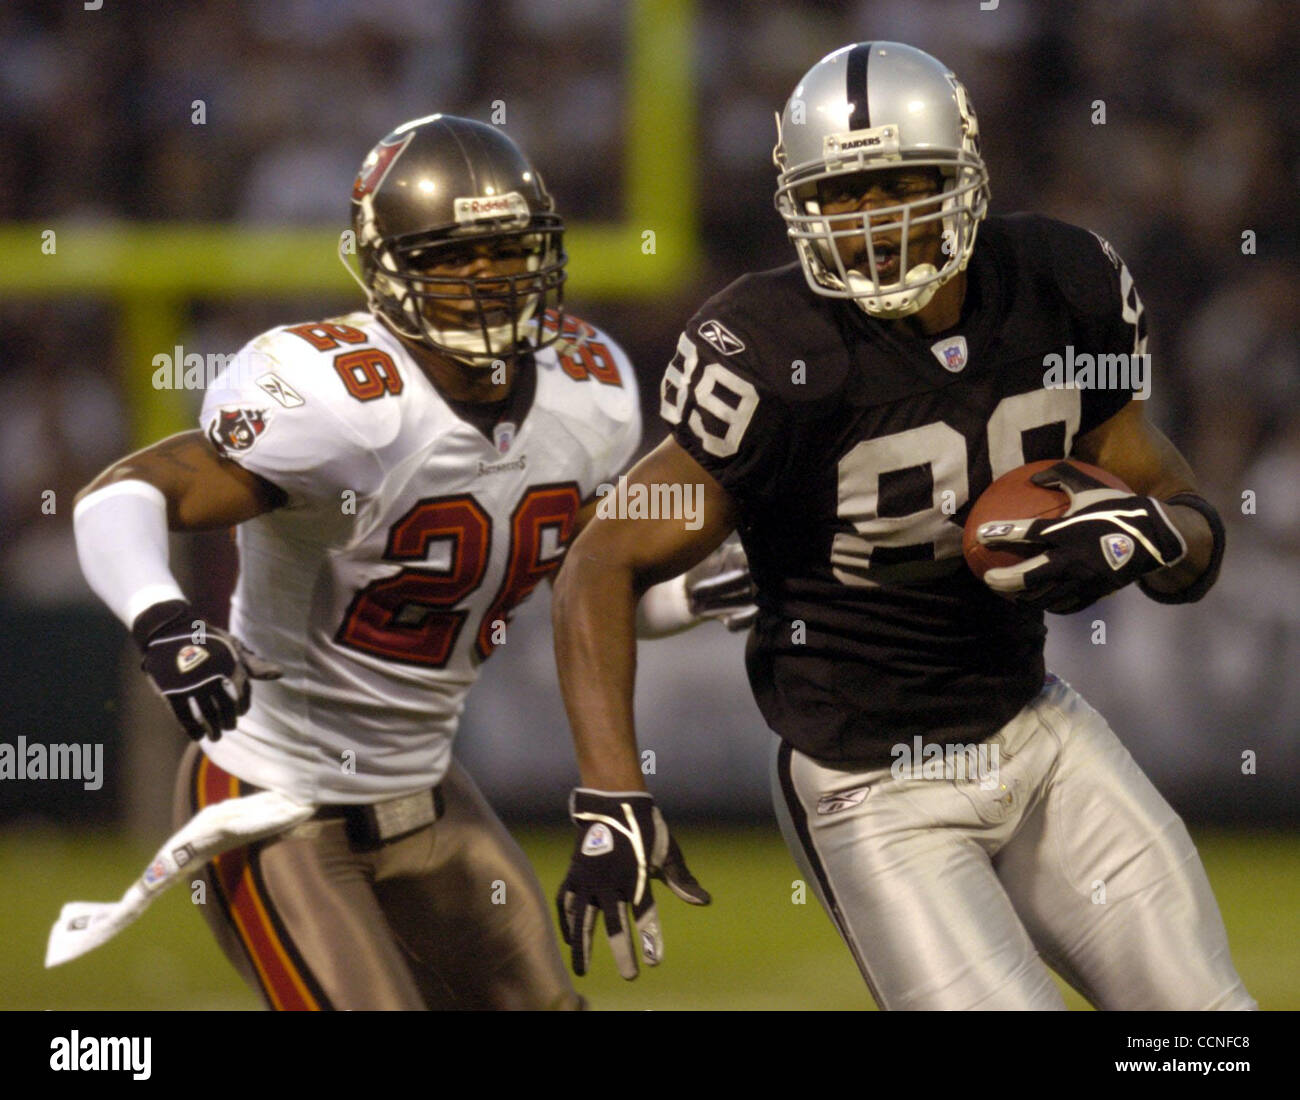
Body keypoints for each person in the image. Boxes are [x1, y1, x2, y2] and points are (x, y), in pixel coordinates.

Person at [550, 43, 1257, 1010]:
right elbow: (600, 560)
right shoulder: (768, 350)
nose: (871, 220)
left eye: (897, 183)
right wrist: (612, 797)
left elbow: (1185, 520)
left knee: (1203, 1027)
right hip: (870, 787)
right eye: (839, 193)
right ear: (796, 202)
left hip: (1040, 734)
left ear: (962, 173)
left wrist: (1154, 536)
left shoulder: (1063, 281)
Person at [71, 114, 747, 1010]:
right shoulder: (336, 398)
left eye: (505, 249)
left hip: (427, 791)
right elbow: (123, 491)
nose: (485, 279)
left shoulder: (592, 390)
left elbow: (588, 586)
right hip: (272, 796)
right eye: (449, 256)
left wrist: (692, 589)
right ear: (385, 268)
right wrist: (161, 616)